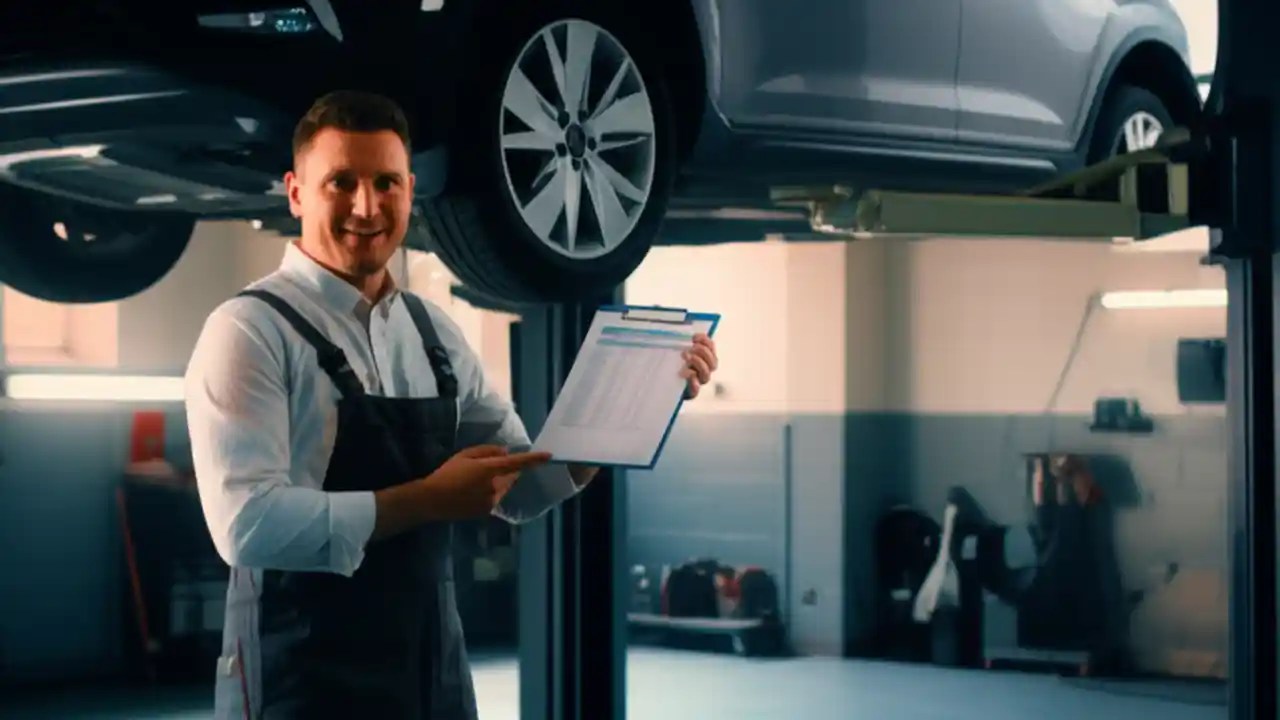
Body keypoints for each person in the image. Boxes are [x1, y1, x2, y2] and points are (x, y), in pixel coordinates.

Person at [184, 89, 718, 720]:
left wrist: (641, 400)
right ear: (296, 192)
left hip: (430, 674)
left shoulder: (433, 332)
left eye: (387, 183)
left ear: (411, 189)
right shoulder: (248, 330)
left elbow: (522, 485)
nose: (367, 206)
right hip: (300, 677)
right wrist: (427, 501)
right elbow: (245, 526)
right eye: (341, 183)